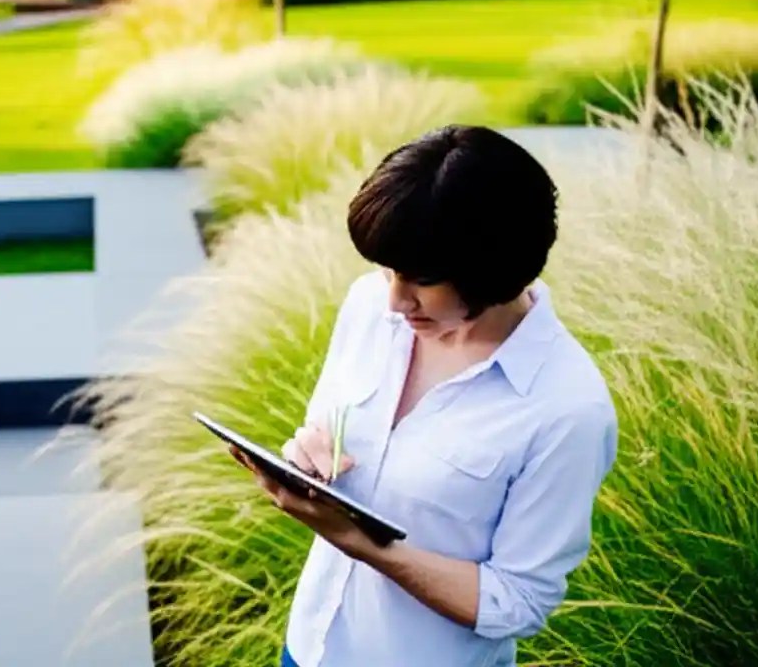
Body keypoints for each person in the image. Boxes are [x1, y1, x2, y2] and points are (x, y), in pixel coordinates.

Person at [228, 125, 619, 667]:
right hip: (310, 647)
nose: (393, 300)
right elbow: (327, 427)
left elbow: (519, 601)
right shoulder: (368, 307)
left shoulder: (567, 408)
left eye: (420, 279)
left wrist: (363, 545)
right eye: (387, 271)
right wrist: (306, 460)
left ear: (495, 268)